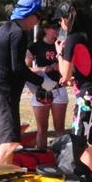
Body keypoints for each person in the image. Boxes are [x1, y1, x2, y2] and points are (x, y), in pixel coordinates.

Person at [0, 0, 42, 164]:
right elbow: (18, 68)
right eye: (38, 17)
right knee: (9, 143)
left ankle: (5, 177)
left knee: (9, 141)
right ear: (30, 15)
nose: (37, 22)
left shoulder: (6, 28)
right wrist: (40, 83)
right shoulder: (18, 33)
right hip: (2, 93)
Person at [57, 2, 92, 179]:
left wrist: (59, 53)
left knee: (81, 144)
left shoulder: (72, 40)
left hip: (88, 98)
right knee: (88, 145)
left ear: (65, 20)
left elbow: (64, 74)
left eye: (60, 20)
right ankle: (91, 178)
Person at [26, 19, 67, 151]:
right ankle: (42, 157)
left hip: (59, 89)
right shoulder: (35, 46)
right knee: (42, 128)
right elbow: (24, 68)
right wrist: (43, 69)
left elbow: (69, 67)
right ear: (45, 29)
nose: (56, 30)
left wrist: (59, 66)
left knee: (59, 128)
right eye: (53, 27)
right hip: (41, 90)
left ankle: (62, 156)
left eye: (57, 27)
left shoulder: (61, 45)